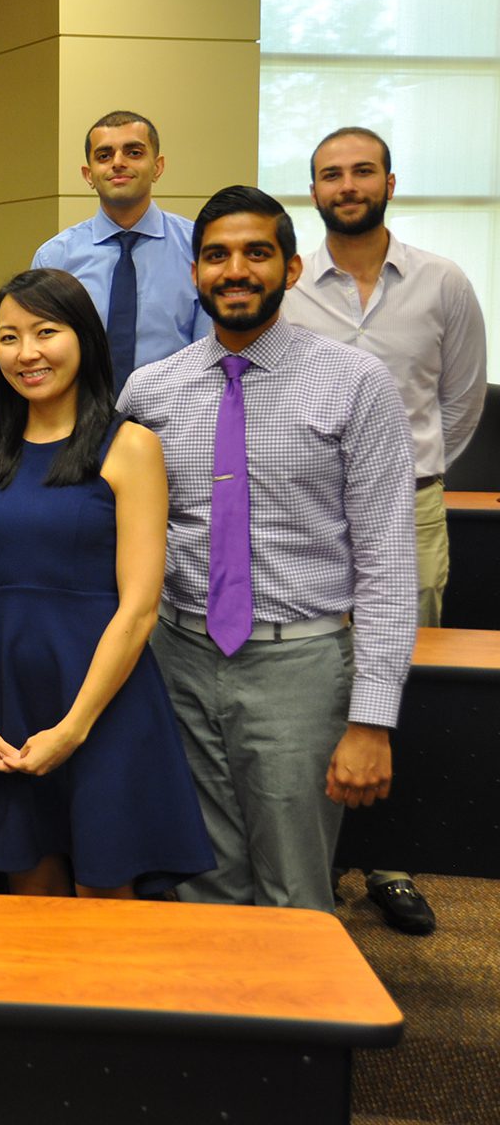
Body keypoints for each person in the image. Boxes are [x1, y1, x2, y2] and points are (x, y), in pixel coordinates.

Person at [121, 185, 417, 914]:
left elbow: (386, 562)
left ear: (289, 268)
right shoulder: (150, 391)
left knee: (294, 890)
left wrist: (372, 719)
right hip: (179, 662)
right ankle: (222, 1030)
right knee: (201, 881)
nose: (236, 270)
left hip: (301, 668)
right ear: (195, 273)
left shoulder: (356, 383)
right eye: (217, 256)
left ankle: (309, 1031)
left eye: (257, 253)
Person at [0, 269, 214, 898]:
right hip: (8, 691)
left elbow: (140, 607)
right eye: (9, 337)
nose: (26, 352)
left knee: (104, 895)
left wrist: (74, 726)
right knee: (29, 898)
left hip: (102, 697)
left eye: (45, 332)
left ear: (84, 338)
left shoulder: (131, 446)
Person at [283, 126, 486, 935]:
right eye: (332, 175)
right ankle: (323, 854)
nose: (348, 185)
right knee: (321, 682)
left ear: (390, 182)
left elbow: (462, 403)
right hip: (312, 518)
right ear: (315, 193)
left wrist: (413, 470)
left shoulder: (443, 284)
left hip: (411, 507)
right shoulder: (291, 293)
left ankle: (392, 863)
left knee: (400, 680)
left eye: (362, 171)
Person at [31, 111, 210, 394]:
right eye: (104, 156)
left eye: (134, 152)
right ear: (88, 175)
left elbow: (209, 354)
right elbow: (40, 354)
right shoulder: (54, 259)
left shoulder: (200, 248)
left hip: (175, 419)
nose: (118, 163)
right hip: (79, 425)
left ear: (157, 167)